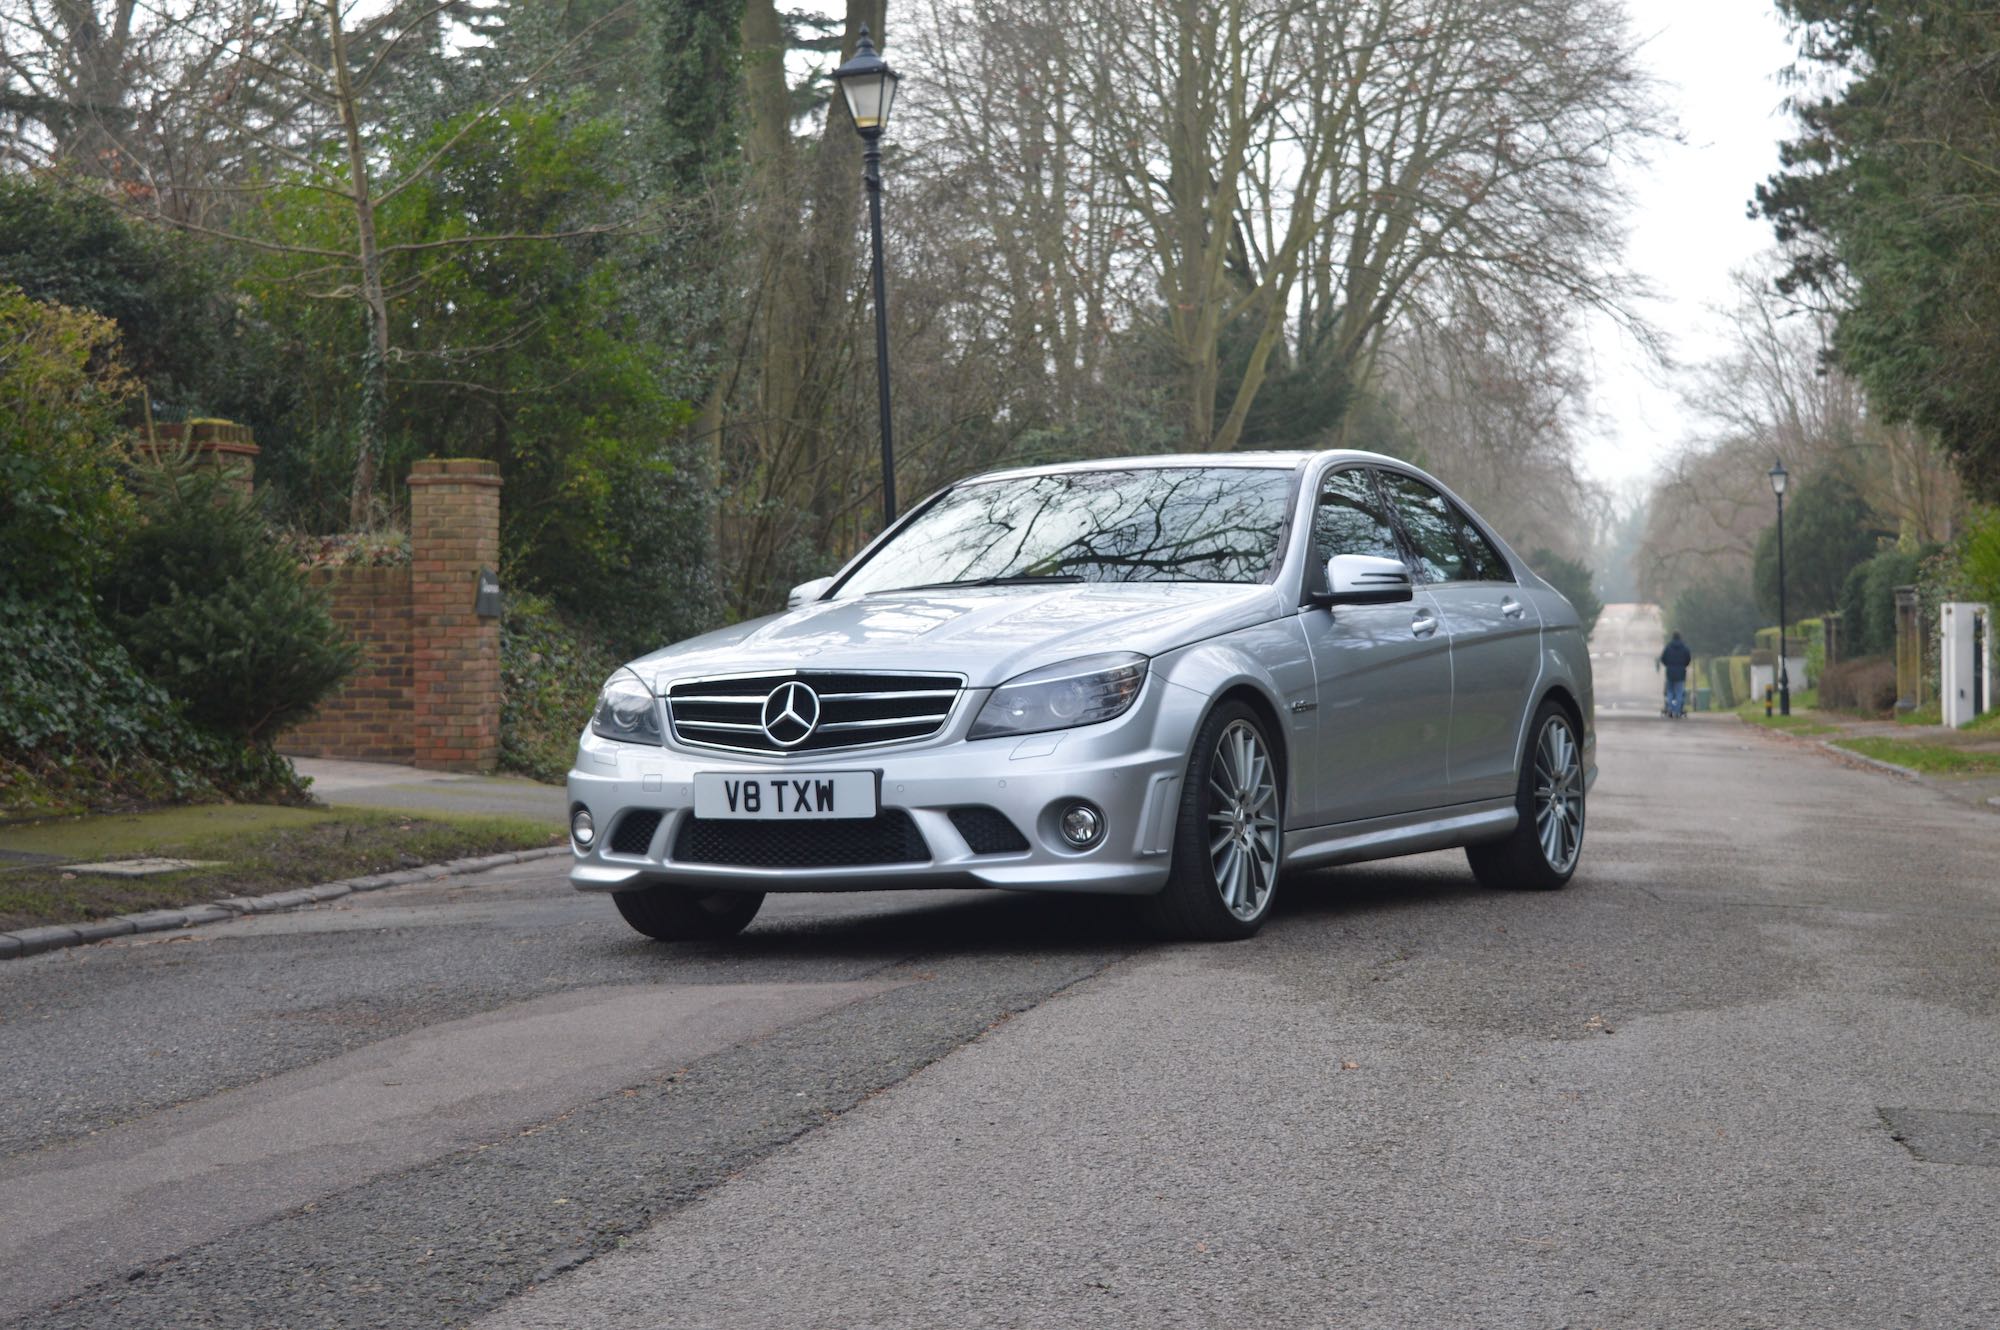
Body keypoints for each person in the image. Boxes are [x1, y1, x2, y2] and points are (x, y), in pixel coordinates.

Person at [1659, 630, 1692, 718]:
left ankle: (1670, 709)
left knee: (1669, 692)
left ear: (1672, 637)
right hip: (1681, 673)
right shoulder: (1684, 648)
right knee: (1679, 693)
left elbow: (1662, 658)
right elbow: (1688, 659)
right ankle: (1677, 711)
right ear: (1680, 637)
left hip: (1670, 672)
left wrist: (1668, 665)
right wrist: (1683, 665)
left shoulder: (1668, 647)